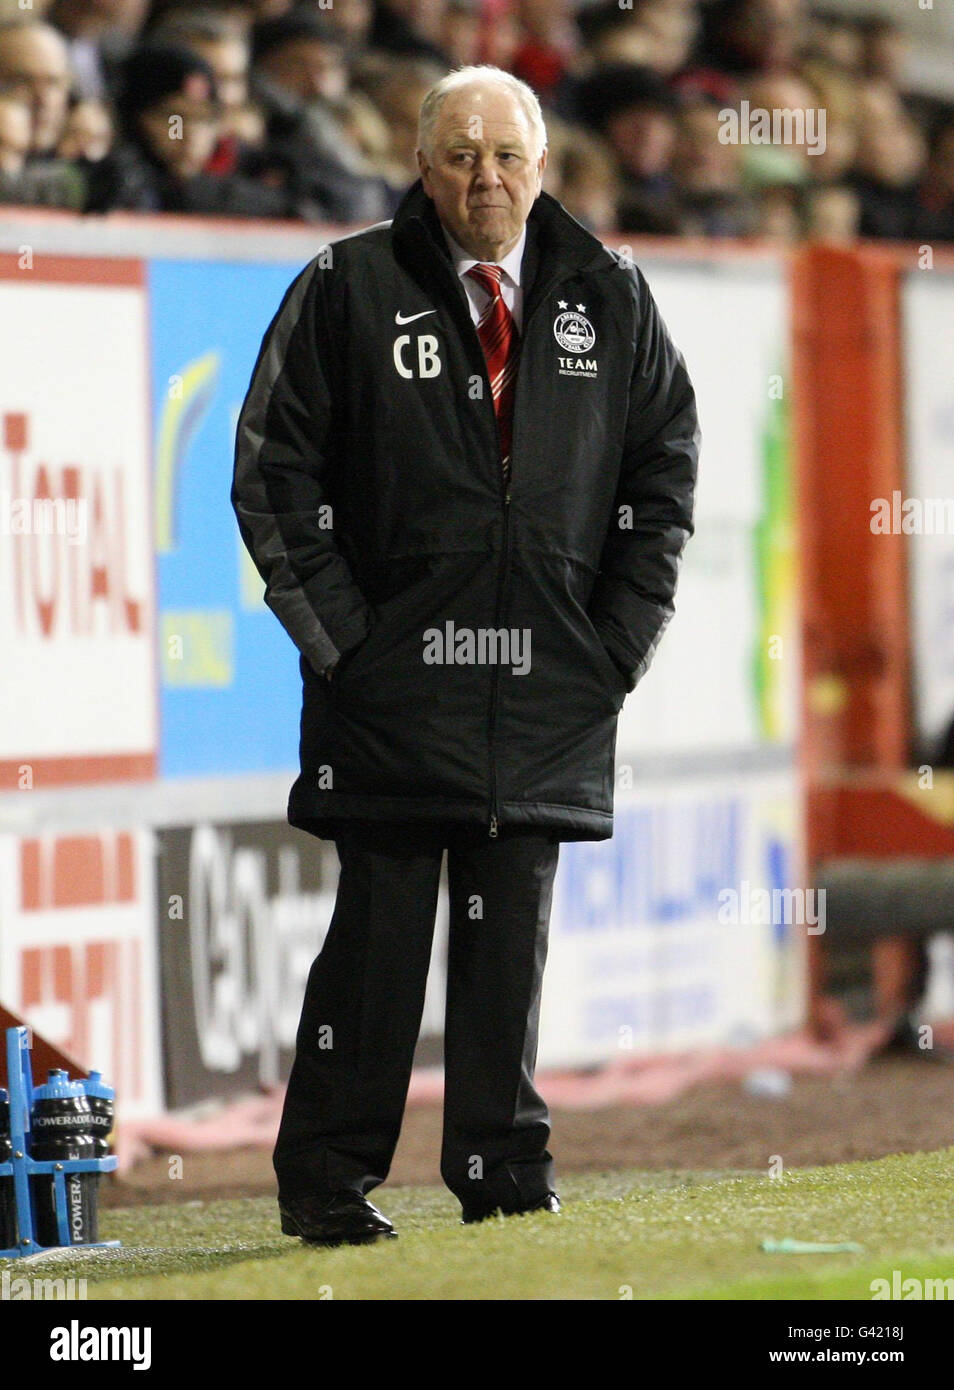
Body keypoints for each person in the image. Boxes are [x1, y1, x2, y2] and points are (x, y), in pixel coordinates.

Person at [232, 63, 699, 1247]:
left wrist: (616, 647)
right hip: (393, 684)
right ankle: (330, 1184)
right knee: (376, 949)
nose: (484, 177)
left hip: (550, 685)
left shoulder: (614, 292)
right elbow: (272, 473)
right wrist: (349, 646)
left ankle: (503, 1169)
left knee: (509, 951)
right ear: (421, 162)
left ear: (543, 163)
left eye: (506, 154)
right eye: (459, 155)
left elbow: (664, 472)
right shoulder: (344, 286)